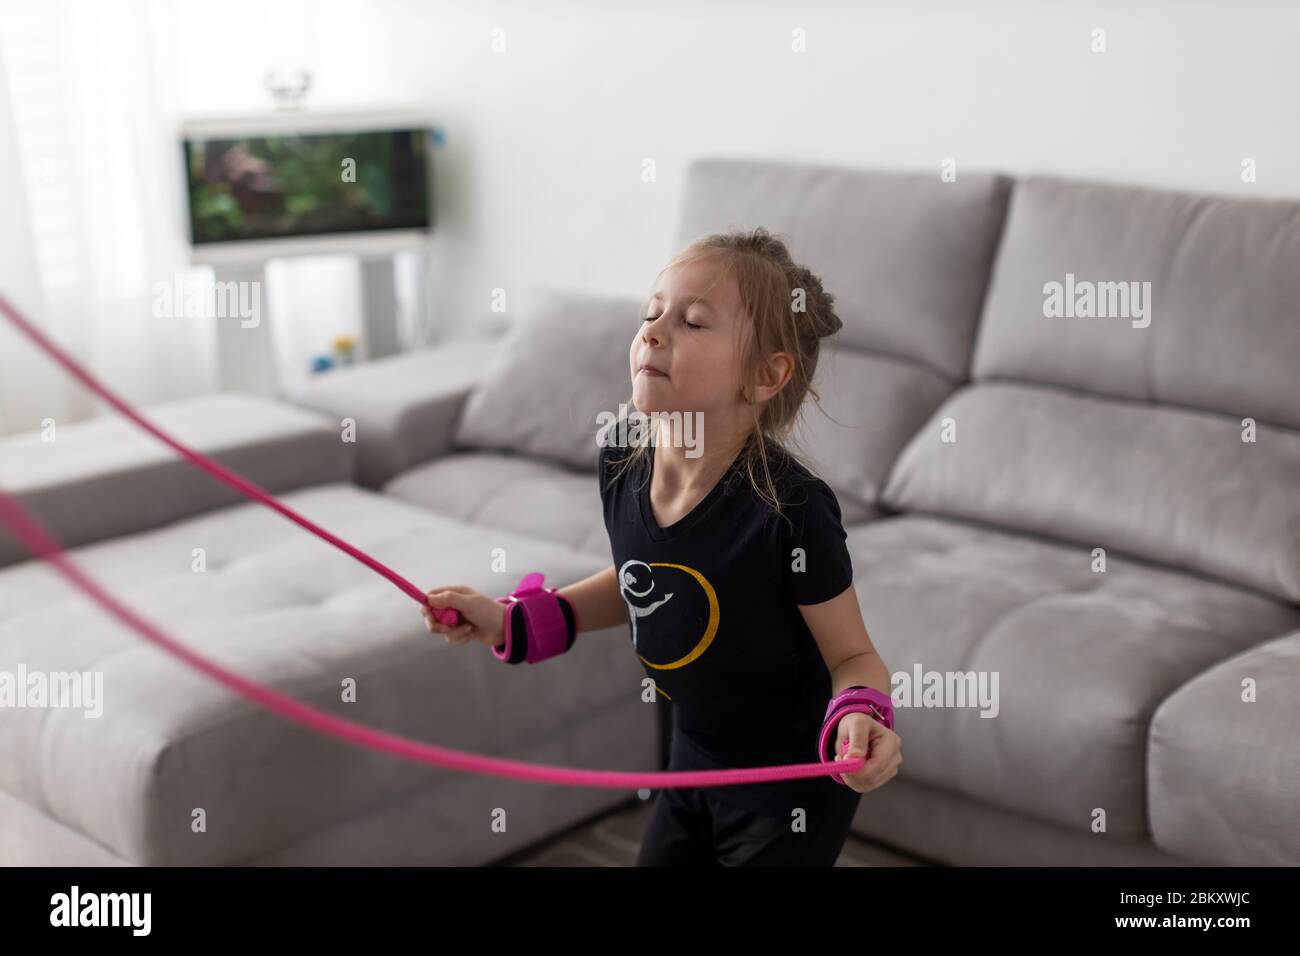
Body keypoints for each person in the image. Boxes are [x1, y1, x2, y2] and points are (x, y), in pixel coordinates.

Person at [421, 227, 902, 866]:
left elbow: (854, 654)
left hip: (789, 791)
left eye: (694, 323)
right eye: (651, 313)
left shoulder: (790, 510)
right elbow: (641, 578)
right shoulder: (621, 457)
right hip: (689, 759)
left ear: (765, 375)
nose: (652, 331)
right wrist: (524, 617)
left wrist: (864, 717)